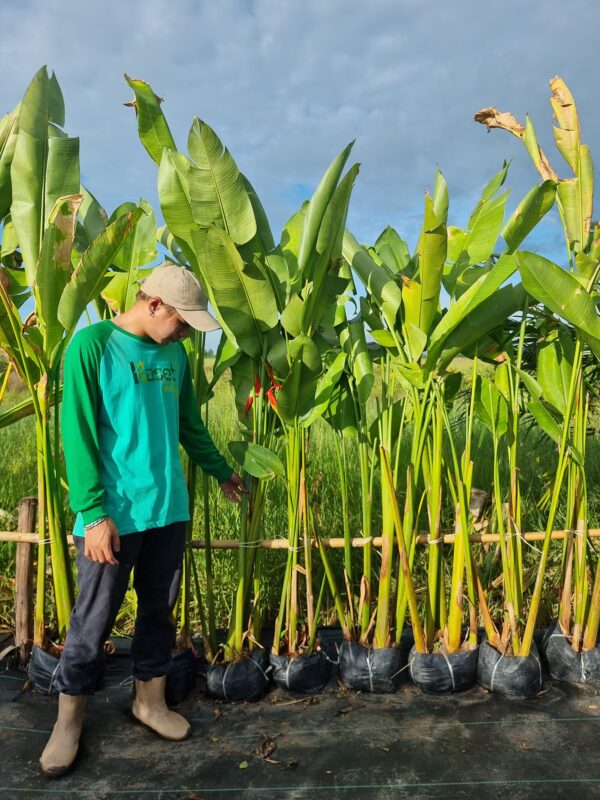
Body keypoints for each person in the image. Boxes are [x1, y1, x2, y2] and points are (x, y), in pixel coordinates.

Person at [40, 263, 245, 777]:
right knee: (92, 620)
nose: (184, 332)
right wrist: (92, 515)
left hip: (168, 509)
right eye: (180, 321)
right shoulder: (91, 347)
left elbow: (187, 424)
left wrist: (220, 470)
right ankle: (68, 721)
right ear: (153, 304)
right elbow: (78, 435)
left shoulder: (175, 355)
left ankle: (149, 703)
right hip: (112, 518)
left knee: (160, 610)